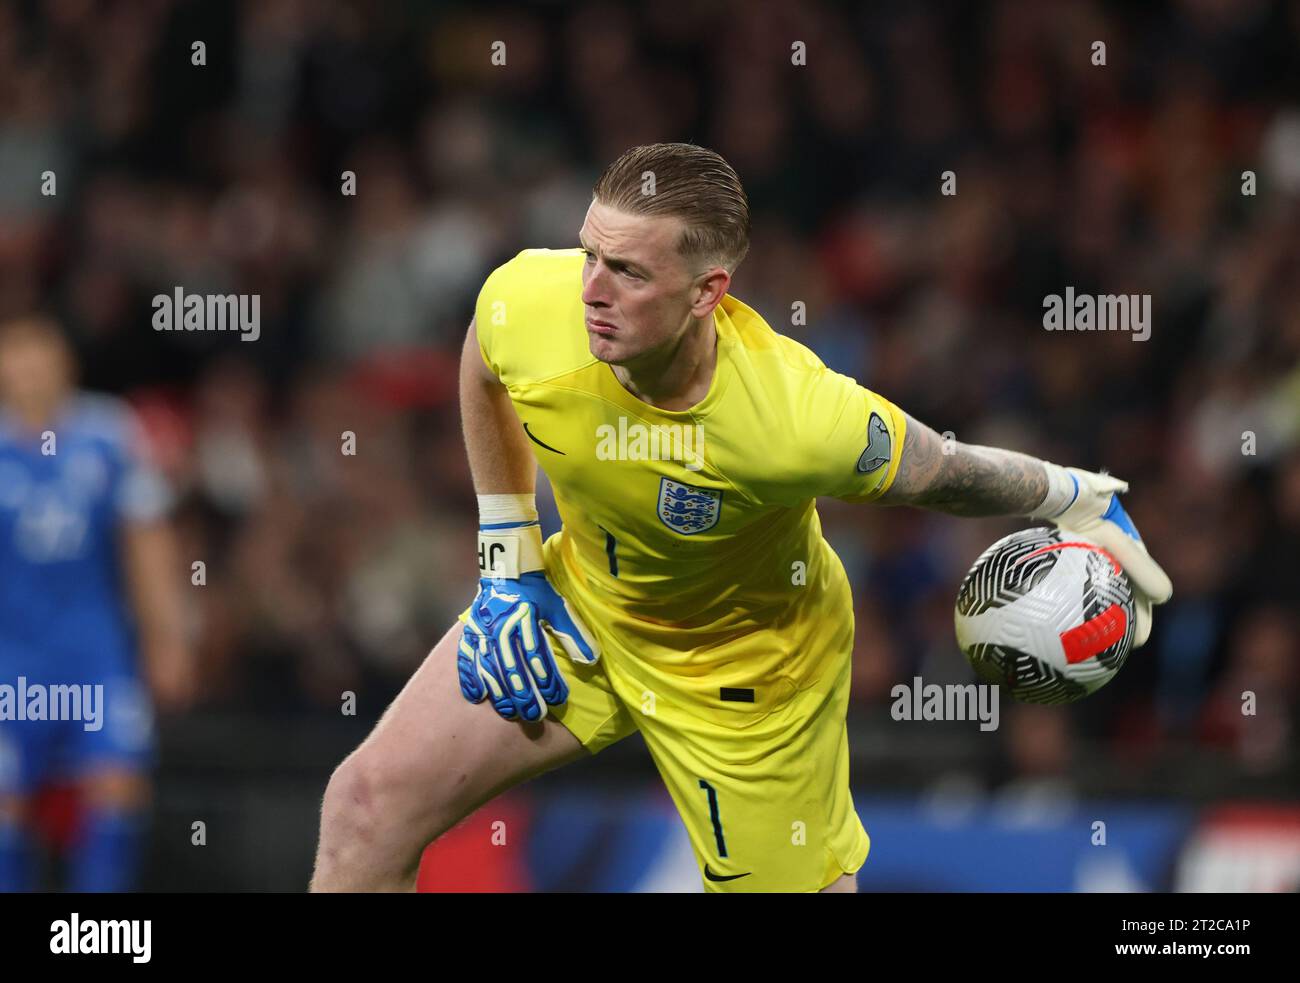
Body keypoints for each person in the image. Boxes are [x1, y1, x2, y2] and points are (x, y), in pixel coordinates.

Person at [311, 143, 1171, 893]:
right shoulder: (534, 302)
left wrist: (1077, 495)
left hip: (751, 680)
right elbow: (483, 356)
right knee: (362, 809)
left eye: (630, 272)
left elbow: (942, 471)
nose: (590, 291)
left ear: (706, 293)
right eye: (589, 253)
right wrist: (508, 554)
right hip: (578, 614)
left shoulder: (796, 418)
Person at [0, 314, 193, 891]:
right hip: (10, 656)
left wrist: (167, 639)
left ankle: (97, 932)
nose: (29, 367)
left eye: (40, 352)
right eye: (16, 355)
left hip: (95, 650)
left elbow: (147, 542)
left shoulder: (109, 433)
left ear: (66, 362)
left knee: (116, 787)